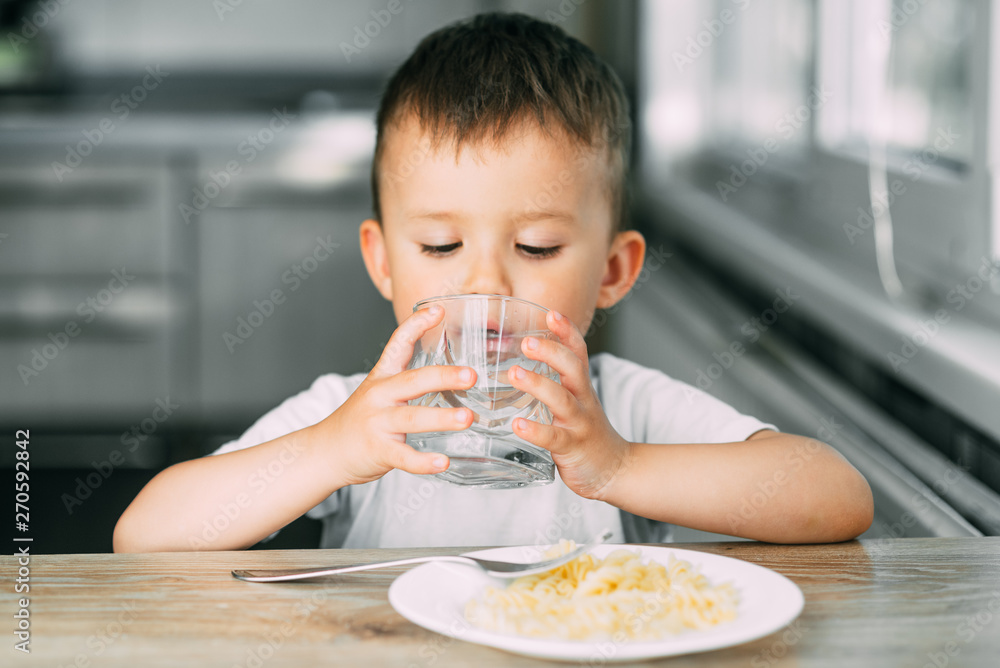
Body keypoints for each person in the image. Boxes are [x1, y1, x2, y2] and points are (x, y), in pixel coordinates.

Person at [114, 13, 873, 553]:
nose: (485, 284)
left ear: (613, 271)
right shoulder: (362, 416)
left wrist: (619, 465)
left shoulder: (623, 410)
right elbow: (145, 536)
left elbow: (837, 496)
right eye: (441, 244)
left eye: (537, 247)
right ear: (383, 262)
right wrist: (335, 450)